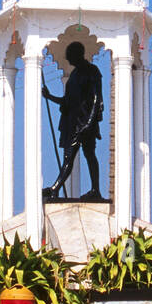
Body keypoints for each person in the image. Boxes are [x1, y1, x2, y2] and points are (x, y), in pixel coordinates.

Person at [41, 42, 104, 200]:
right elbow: (67, 101)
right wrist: (49, 97)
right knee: (69, 157)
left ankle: (95, 190)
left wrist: (89, 123)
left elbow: (97, 99)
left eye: (69, 56)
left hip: (86, 123)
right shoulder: (74, 74)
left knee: (89, 155)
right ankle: (55, 188)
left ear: (77, 55)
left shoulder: (92, 71)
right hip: (73, 123)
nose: (67, 59)